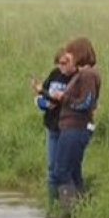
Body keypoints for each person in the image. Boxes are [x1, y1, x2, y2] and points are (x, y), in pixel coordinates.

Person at [51, 37, 101, 211]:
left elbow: (86, 102)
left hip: (76, 128)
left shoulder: (87, 75)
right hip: (74, 128)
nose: (68, 57)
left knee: (61, 172)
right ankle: (80, 208)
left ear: (79, 54)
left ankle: (70, 210)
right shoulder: (84, 74)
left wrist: (64, 98)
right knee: (73, 170)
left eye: (70, 54)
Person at [31, 49, 72, 202]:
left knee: (65, 168)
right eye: (59, 63)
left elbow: (64, 100)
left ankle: (67, 202)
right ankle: (52, 203)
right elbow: (41, 95)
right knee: (51, 167)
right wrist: (43, 102)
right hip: (52, 126)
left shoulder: (75, 78)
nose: (61, 67)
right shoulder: (54, 74)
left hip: (67, 128)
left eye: (64, 63)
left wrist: (45, 94)